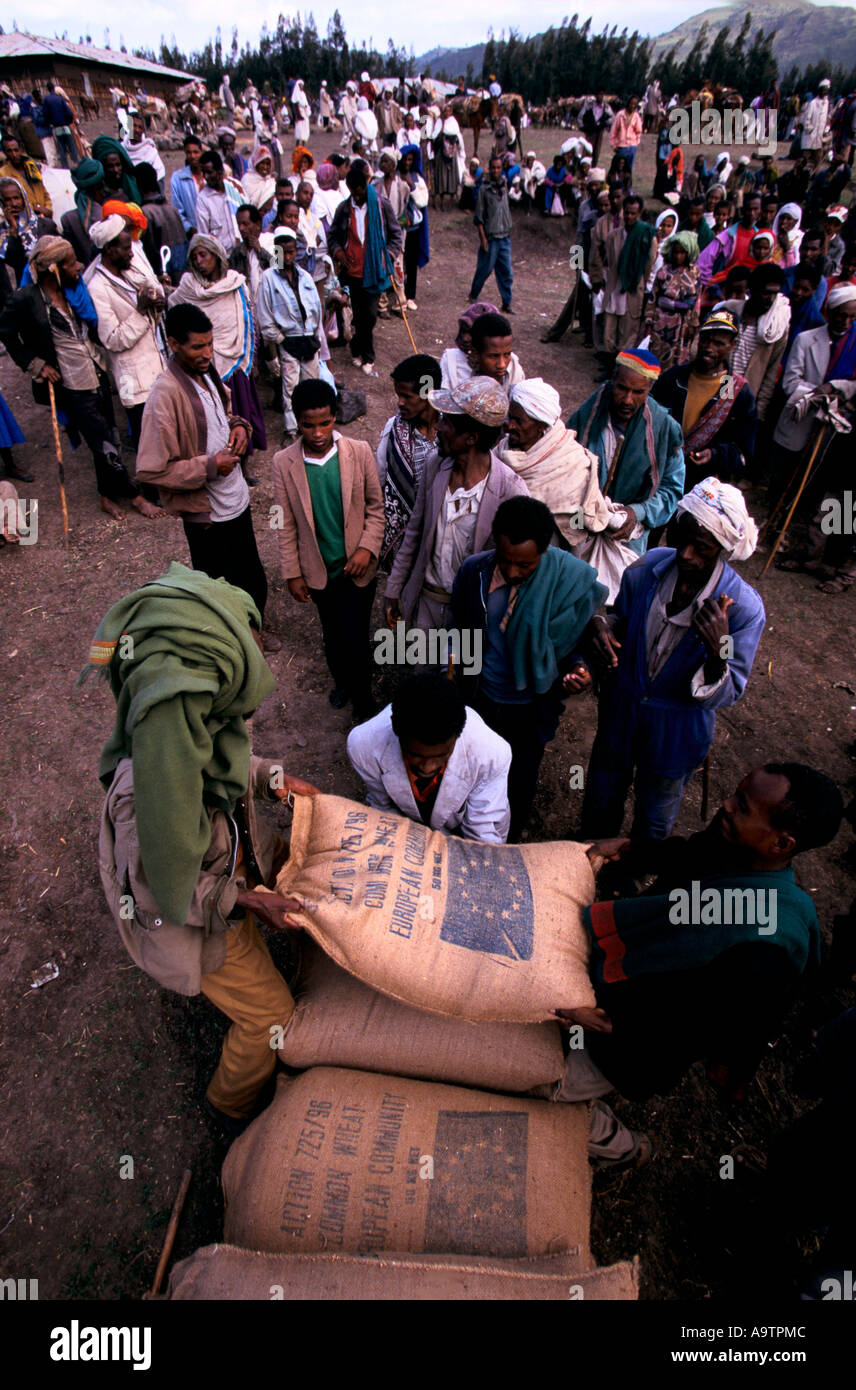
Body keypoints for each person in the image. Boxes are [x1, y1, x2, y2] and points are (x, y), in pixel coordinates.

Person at [88, 563, 318, 1129]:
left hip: (228, 884)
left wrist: (270, 779)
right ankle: (229, 1107)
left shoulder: (189, 722)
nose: (246, 709)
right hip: (196, 919)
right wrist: (242, 900)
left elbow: (226, 757)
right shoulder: (148, 796)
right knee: (271, 1017)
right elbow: (160, 890)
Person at [556, 763, 843, 1166]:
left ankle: (616, 1146)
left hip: (637, 1040)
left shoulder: (766, 948)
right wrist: (631, 849)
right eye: (735, 794)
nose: (724, 805)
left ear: (782, 844)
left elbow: (695, 1024)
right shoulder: (728, 841)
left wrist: (608, 1020)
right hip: (615, 984)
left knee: (548, 1084)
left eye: (742, 806)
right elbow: (686, 853)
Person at [581, 478, 765, 840]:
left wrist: (719, 651)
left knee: (655, 813)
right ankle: (589, 861)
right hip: (622, 710)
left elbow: (730, 690)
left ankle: (635, 873)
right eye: (681, 539)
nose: (686, 555)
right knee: (602, 795)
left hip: (677, 730)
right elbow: (622, 618)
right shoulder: (648, 567)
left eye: (702, 548)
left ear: (723, 550)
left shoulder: (744, 608)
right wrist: (603, 624)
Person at [451, 495, 606, 838]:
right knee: (472, 772)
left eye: (525, 566)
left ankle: (509, 837)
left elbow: (574, 639)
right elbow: (458, 627)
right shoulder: (474, 572)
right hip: (480, 698)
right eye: (505, 561)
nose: (512, 572)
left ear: (545, 551)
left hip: (530, 708)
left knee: (518, 780)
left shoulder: (566, 581)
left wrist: (578, 669)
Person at [136, 302, 276, 648]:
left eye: (210, 344)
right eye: (197, 346)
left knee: (251, 576)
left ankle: (254, 629)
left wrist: (239, 427)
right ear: (173, 343)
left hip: (236, 500)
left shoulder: (206, 371)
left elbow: (222, 413)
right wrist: (210, 467)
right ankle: (237, 645)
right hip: (207, 516)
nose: (207, 353)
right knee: (219, 586)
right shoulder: (163, 395)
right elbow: (153, 469)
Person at [0, 234, 151, 520]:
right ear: (53, 268)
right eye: (71, 264)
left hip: (95, 370)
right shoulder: (27, 300)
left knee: (109, 433)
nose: (79, 266)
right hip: (70, 382)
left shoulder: (76, 292)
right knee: (102, 439)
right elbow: (6, 333)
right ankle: (135, 496)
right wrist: (35, 364)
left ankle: (106, 495)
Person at [272, 377, 384, 720]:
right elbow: (284, 523)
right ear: (297, 421)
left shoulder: (359, 451)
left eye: (325, 423)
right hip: (320, 572)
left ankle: (364, 703)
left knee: (356, 637)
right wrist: (292, 572)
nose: (318, 432)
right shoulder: (283, 463)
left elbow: (376, 508)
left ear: (336, 416)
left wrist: (367, 548)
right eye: (308, 425)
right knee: (333, 637)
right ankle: (342, 682)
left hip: (358, 570)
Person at [385, 376, 528, 639]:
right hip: (427, 602)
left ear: (471, 438)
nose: (437, 427)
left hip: (470, 612)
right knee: (423, 673)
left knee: (460, 674)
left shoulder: (511, 490)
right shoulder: (435, 465)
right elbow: (414, 532)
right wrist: (394, 589)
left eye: (446, 422)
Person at [347, 673, 512, 842]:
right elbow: (385, 811)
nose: (428, 767)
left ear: (457, 736)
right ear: (397, 735)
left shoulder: (491, 754)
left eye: (442, 755)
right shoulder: (363, 746)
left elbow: (482, 837)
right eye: (415, 755)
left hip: (461, 833)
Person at [568, 349, 685, 556]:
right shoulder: (590, 414)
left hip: (626, 534)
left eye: (638, 392)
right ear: (613, 380)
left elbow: (671, 491)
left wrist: (636, 512)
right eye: (622, 388)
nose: (628, 400)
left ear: (649, 389)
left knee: (616, 585)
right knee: (569, 568)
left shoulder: (663, 429)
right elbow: (566, 460)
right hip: (580, 517)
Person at [169, 234, 266, 454]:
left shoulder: (235, 283)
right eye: (194, 257)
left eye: (203, 255)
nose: (198, 262)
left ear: (217, 255)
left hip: (234, 362)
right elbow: (174, 310)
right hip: (203, 366)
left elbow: (248, 322)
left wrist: (253, 360)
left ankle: (243, 463)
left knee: (240, 417)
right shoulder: (188, 287)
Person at [497, 378, 611, 550]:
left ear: (541, 425)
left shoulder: (574, 464)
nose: (510, 426)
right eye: (510, 417)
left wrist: (573, 531)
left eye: (518, 421)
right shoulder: (501, 451)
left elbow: (579, 524)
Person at [86, 216, 167, 454]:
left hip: (154, 367)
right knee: (147, 439)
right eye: (126, 249)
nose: (131, 254)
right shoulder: (97, 288)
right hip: (131, 377)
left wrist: (157, 305)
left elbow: (151, 300)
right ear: (110, 250)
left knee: (163, 434)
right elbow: (111, 339)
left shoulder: (129, 272)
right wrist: (142, 311)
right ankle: (151, 489)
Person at [652, 309, 758, 486]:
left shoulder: (735, 391)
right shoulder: (674, 378)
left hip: (701, 485)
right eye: (705, 340)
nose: (709, 348)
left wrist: (716, 454)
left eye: (718, 343)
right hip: (659, 474)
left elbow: (743, 453)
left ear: (733, 345)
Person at [326, 159, 403, 375]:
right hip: (352, 272)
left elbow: (396, 236)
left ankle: (366, 354)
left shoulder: (381, 205)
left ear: (365, 187)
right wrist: (339, 252)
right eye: (354, 194)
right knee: (359, 315)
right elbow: (332, 237)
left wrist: (387, 255)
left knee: (369, 315)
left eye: (360, 193)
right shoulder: (343, 209)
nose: (358, 198)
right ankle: (358, 350)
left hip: (374, 270)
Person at [256, 227, 322, 442]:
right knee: (290, 387)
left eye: (291, 251)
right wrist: (279, 340)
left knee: (312, 385)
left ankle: (311, 427)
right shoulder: (268, 279)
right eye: (282, 251)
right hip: (288, 340)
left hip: (309, 339)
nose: (287, 256)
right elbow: (265, 317)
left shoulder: (305, 277)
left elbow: (316, 310)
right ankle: (292, 430)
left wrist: (316, 338)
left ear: (297, 252)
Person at [376, 354, 442, 569]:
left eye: (406, 396)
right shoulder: (393, 430)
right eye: (398, 395)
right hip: (409, 537)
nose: (399, 403)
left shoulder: (452, 431)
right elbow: (380, 477)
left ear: (427, 394)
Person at [589, 194, 656, 371]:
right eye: (626, 213)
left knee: (627, 333)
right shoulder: (613, 236)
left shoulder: (647, 237)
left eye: (633, 213)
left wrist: (635, 281)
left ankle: (620, 370)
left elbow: (648, 267)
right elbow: (608, 261)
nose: (629, 217)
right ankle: (608, 367)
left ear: (639, 213)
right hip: (613, 287)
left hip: (632, 291)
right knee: (609, 331)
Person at [717, 263, 791, 421]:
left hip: (744, 396)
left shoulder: (775, 328)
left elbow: (771, 373)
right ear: (752, 289)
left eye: (775, 294)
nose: (770, 299)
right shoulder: (730, 309)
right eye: (766, 293)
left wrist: (759, 411)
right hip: (717, 385)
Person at [643, 231, 700, 370]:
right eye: (675, 252)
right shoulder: (664, 271)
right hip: (662, 322)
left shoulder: (694, 272)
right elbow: (653, 298)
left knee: (678, 359)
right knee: (656, 357)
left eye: (682, 252)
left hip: (683, 323)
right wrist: (649, 323)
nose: (678, 256)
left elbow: (697, 300)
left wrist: (693, 324)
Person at [469, 154, 514, 313]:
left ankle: (507, 302)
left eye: (499, 167)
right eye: (493, 167)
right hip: (491, 237)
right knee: (485, 268)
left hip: (504, 236)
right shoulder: (484, 189)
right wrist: (483, 239)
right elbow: (479, 217)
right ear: (489, 168)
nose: (496, 170)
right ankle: (473, 295)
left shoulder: (504, 185)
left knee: (506, 271)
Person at [444, 310, 524, 392]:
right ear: (476, 354)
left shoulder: (515, 371)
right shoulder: (454, 369)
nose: (502, 365)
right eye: (494, 356)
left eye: (507, 354)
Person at [0, 177, 58, 288]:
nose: (14, 203)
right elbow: (15, 262)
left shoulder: (44, 225)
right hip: (27, 290)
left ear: (24, 198)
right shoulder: (2, 232)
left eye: (17, 198)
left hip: (52, 284)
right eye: (8, 200)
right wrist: (13, 229)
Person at [397, 144, 430, 310]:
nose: (407, 162)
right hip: (397, 226)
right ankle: (397, 294)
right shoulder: (393, 176)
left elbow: (423, 201)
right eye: (404, 159)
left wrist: (412, 185)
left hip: (413, 226)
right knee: (398, 261)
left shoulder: (417, 178)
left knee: (411, 261)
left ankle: (410, 295)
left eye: (410, 160)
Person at [196, 150, 241, 255]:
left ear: (220, 171)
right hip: (221, 257)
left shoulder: (234, 188)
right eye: (203, 173)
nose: (206, 177)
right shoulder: (203, 199)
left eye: (209, 172)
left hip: (242, 253)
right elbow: (204, 236)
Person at [0, 132, 52, 216]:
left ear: (21, 149)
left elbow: (44, 192)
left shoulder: (32, 166)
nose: (14, 154)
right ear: (5, 153)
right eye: (9, 151)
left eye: (16, 150)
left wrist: (47, 209)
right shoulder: (3, 174)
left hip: (45, 216)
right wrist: (35, 210)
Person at [170, 135, 205, 239]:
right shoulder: (178, 178)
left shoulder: (210, 175)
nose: (192, 156)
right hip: (191, 233)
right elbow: (177, 210)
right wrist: (189, 228)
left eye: (196, 152)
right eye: (189, 152)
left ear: (201, 152)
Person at [91, 135, 141, 205]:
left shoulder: (131, 185)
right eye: (110, 166)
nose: (116, 170)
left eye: (118, 165)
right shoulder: (98, 192)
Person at [122, 110, 165, 189]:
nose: (137, 130)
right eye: (134, 126)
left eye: (140, 127)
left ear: (143, 131)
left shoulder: (150, 150)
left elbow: (159, 174)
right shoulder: (122, 149)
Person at [41, 80, 77, 169]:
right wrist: (68, 122)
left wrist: (50, 123)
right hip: (65, 126)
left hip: (56, 128)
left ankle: (65, 167)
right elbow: (69, 113)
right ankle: (76, 163)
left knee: (61, 149)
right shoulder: (60, 99)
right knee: (71, 146)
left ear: (48, 89)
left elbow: (45, 114)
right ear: (54, 88)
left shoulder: (46, 100)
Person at [798, 79, 832, 168]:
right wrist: (811, 128)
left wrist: (824, 130)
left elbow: (825, 118)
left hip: (819, 137)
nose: (824, 92)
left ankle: (815, 176)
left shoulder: (826, 103)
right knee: (805, 158)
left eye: (826, 90)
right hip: (810, 136)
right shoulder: (812, 103)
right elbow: (806, 120)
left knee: (818, 159)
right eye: (823, 90)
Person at [609, 96, 643, 172]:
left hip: (632, 147)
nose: (632, 106)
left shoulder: (636, 116)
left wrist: (636, 142)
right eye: (631, 103)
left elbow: (639, 131)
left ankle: (628, 183)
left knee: (629, 169)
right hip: (622, 146)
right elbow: (613, 131)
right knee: (619, 168)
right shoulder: (620, 115)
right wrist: (614, 145)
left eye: (634, 104)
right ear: (628, 103)